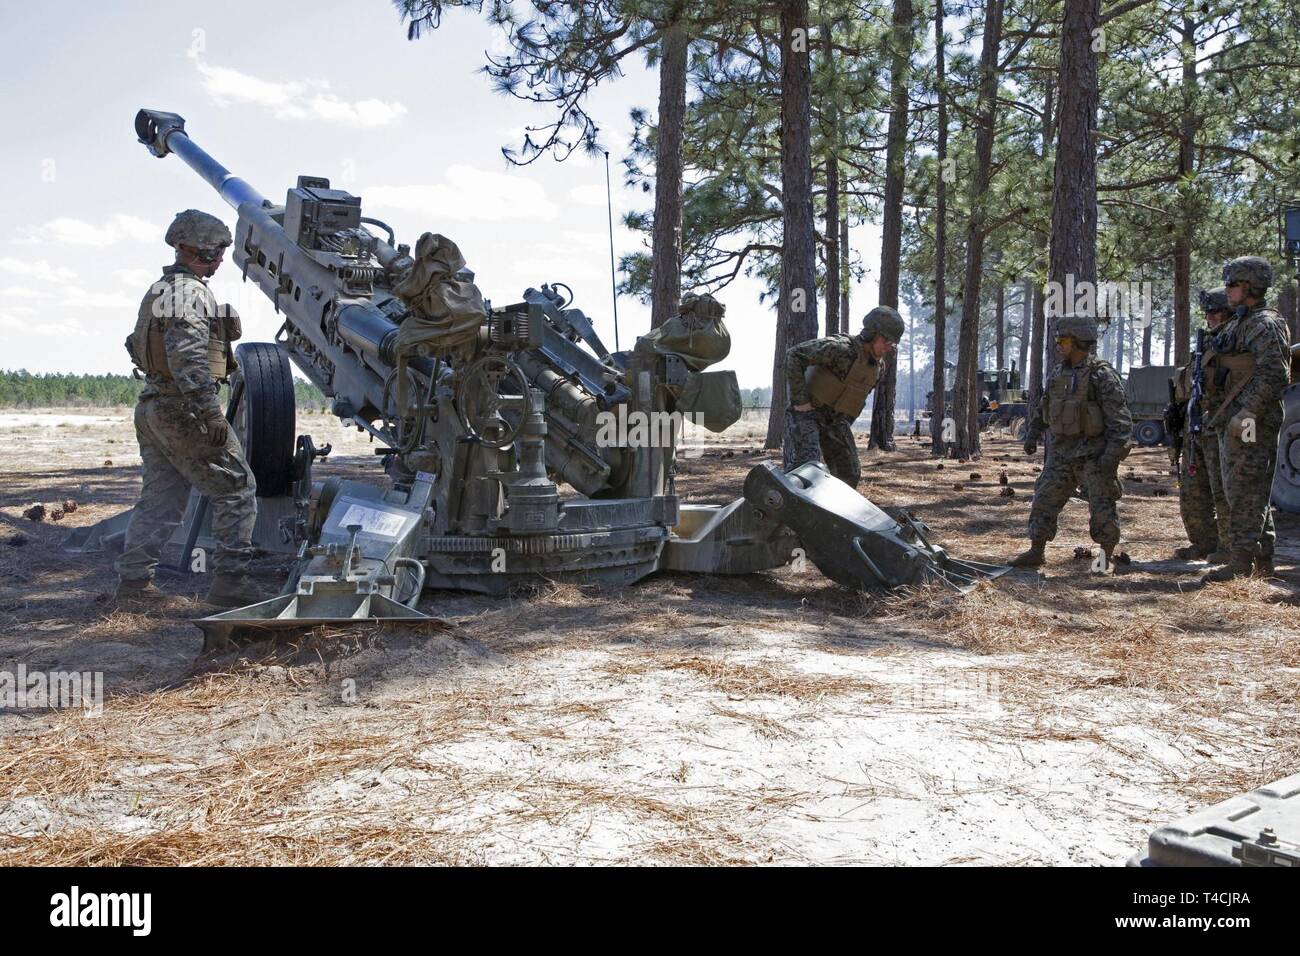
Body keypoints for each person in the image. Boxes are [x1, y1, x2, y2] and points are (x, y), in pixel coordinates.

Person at [115, 209, 262, 607]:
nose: (219, 262)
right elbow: (187, 356)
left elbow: (137, 344)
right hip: (183, 409)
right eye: (218, 254)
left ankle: (133, 584)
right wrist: (209, 410)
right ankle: (230, 584)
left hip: (153, 405)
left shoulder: (161, 289)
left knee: (163, 496)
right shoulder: (190, 293)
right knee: (236, 489)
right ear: (207, 252)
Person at [1010, 314, 1132, 572]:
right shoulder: (1058, 372)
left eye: (1062, 340)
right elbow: (1045, 406)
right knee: (1044, 498)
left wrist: (1111, 456)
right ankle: (1036, 550)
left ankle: (1104, 556)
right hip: (1062, 453)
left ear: (1077, 341)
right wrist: (1032, 434)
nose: (1058, 345)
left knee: (1102, 506)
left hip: (1093, 455)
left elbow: (1119, 420)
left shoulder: (1102, 375)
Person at [1201, 257, 1291, 582]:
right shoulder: (1242, 322)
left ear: (1249, 287)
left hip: (1251, 420)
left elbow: (1274, 375)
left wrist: (1247, 412)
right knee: (1245, 489)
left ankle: (1240, 563)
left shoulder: (1264, 324)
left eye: (1232, 284)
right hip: (1235, 417)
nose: (1226, 290)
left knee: (1244, 489)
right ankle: (1261, 563)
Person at [783, 306, 903, 487]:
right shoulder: (840, 348)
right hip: (807, 414)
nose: (889, 347)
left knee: (849, 473)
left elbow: (855, 398)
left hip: (836, 420)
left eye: (892, 342)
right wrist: (800, 402)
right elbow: (794, 355)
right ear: (872, 334)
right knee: (805, 472)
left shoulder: (877, 368)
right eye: (886, 340)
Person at [1168, 288, 1231, 560]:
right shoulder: (1206, 345)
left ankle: (1229, 548)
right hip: (1196, 428)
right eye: (1207, 313)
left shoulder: (1235, 342)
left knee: (1223, 493)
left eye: (1215, 312)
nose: (1210, 318)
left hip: (1220, 427)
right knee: (1193, 493)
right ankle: (1202, 542)